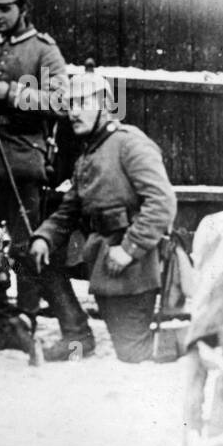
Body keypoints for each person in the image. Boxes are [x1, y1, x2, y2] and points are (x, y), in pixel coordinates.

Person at [0, 0, 90, 353]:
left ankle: (27, 317)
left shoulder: (44, 51)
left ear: (23, 9)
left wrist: (16, 94)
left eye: (4, 9)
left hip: (24, 157)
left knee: (26, 242)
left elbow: (60, 102)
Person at [30, 68, 177, 363]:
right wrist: (44, 238)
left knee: (133, 351)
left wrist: (129, 249)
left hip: (131, 263)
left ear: (106, 106)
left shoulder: (129, 143)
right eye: (70, 104)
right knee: (30, 255)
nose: (74, 112)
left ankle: (205, 333)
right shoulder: (88, 155)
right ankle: (77, 337)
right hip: (99, 258)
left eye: (83, 102)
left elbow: (162, 201)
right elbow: (69, 209)